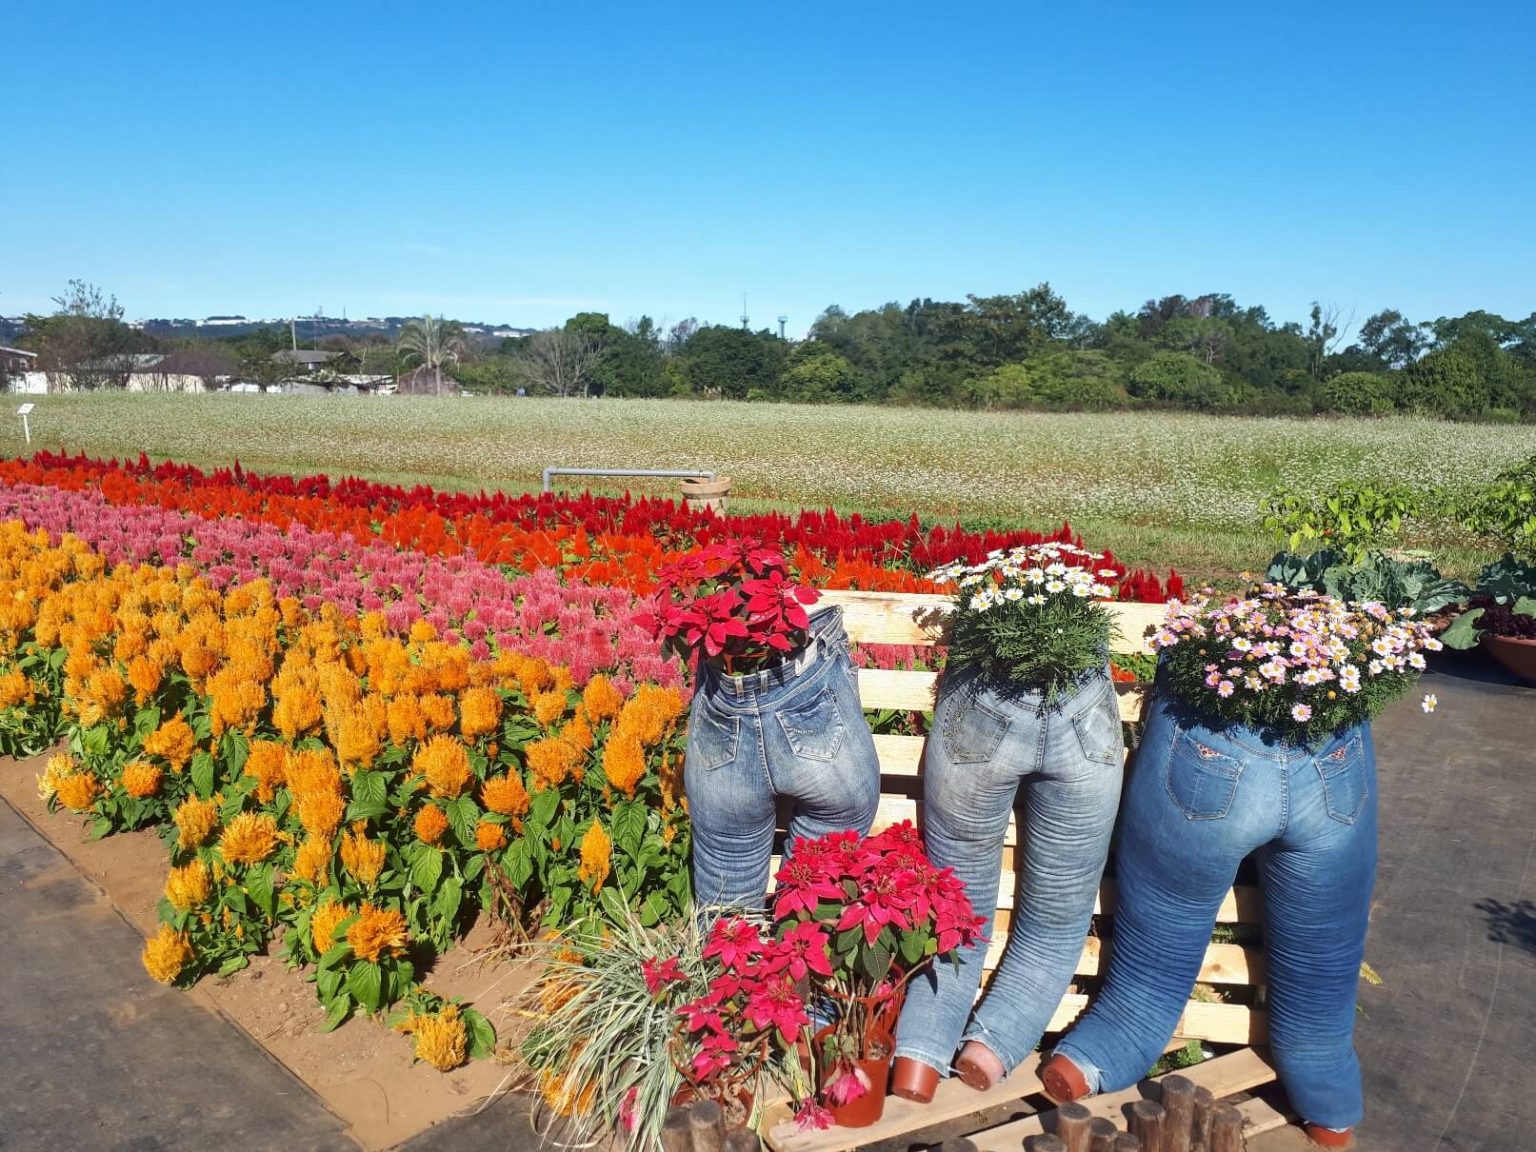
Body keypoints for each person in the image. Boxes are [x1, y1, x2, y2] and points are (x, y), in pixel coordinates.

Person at [889, 660, 1124, 1102]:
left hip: (983, 694)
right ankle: (989, 1051)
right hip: (1082, 712)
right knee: (1053, 925)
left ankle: (918, 1057)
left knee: (958, 915)